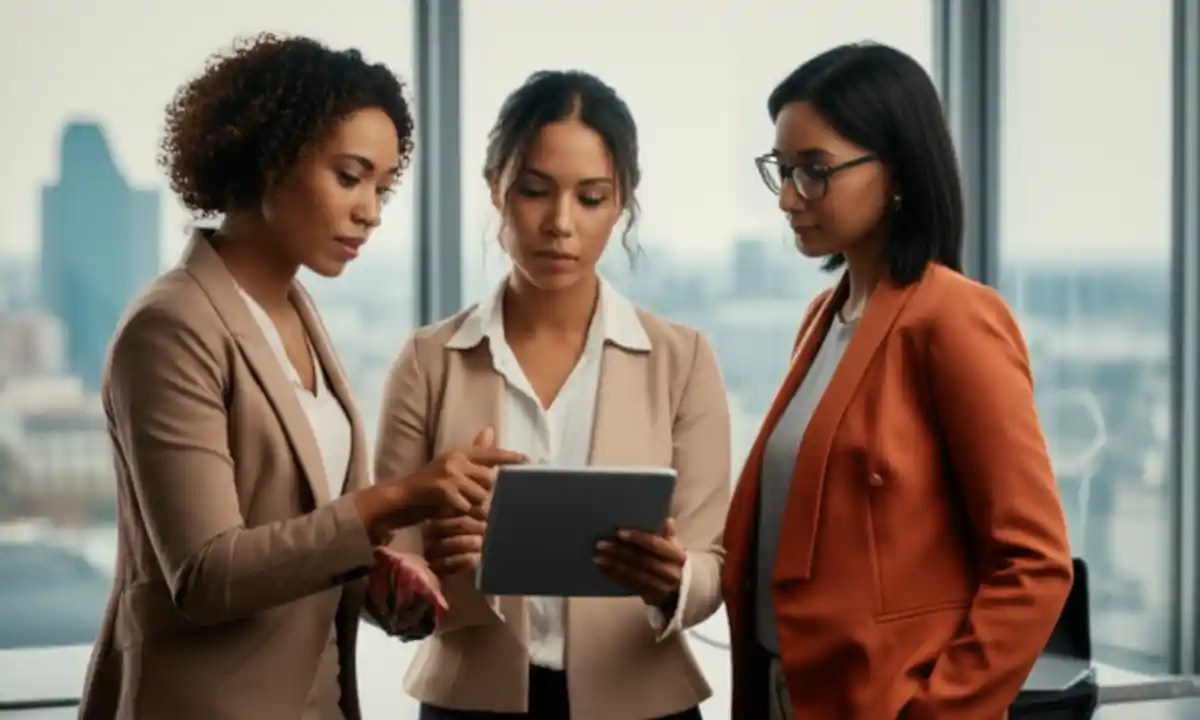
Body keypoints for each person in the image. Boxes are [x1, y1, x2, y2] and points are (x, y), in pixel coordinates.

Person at [79, 33, 524, 720]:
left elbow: (295, 531)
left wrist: (375, 581)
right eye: (349, 177)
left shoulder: (297, 310)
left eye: (382, 185)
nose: (371, 210)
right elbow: (205, 575)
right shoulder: (170, 327)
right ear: (266, 159)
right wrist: (395, 501)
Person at [720, 42, 1075, 719]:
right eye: (783, 171)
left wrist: (935, 712)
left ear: (898, 171)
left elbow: (1033, 565)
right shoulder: (821, 321)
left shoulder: (955, 318)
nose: (790, 198)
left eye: (815, 171)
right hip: (784, 691)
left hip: (883, 703)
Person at [373, 69, 731, 720]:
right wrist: (429, 578)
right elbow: (389, 569)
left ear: (621, 201)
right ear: (496, 190)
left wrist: (673, 580)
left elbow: (712, 562)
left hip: (643, 703)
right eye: (535, 192)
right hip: (468, 705)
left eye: (591, 197)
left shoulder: (683, 360)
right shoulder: (428, 362)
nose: (560, 224)